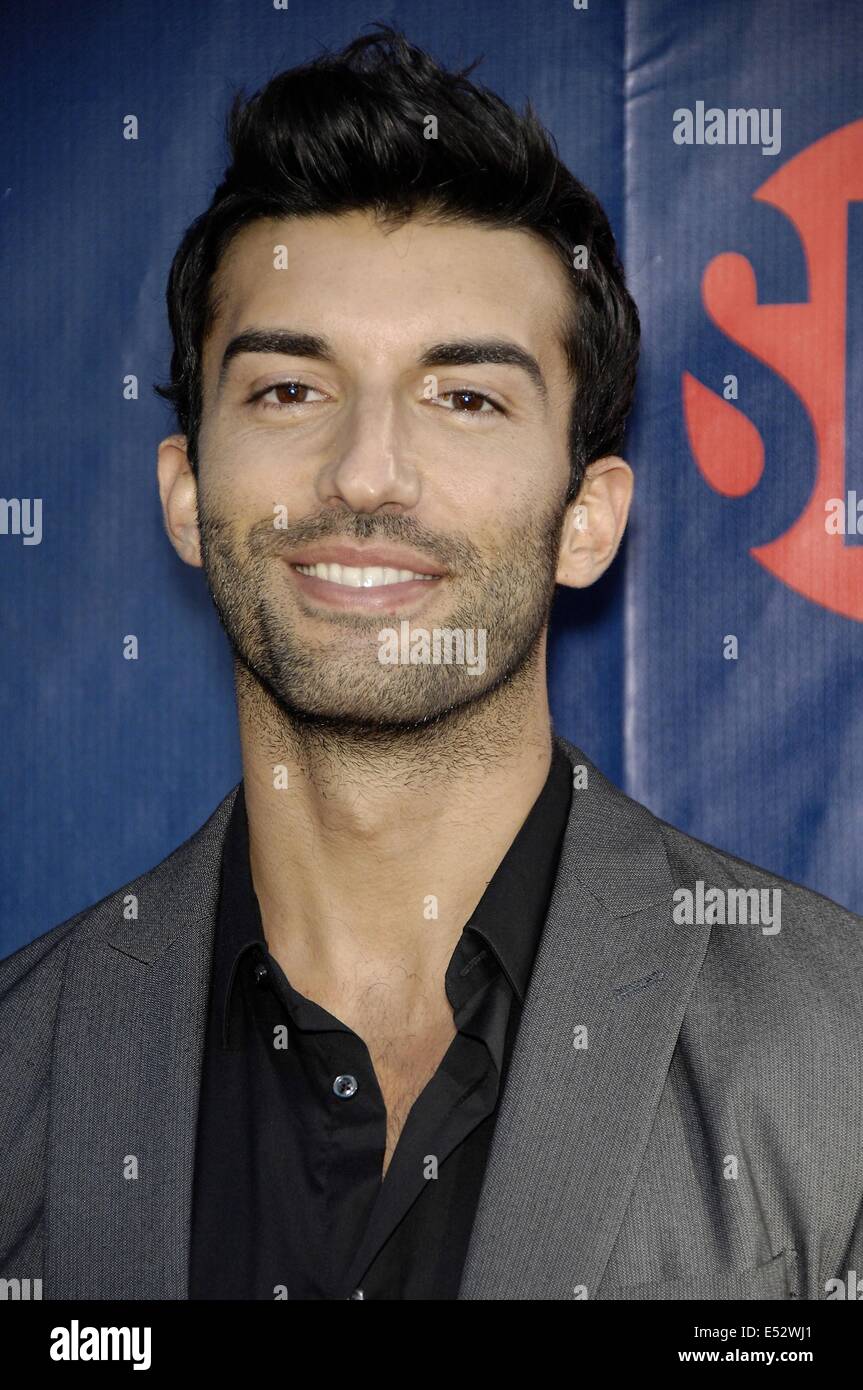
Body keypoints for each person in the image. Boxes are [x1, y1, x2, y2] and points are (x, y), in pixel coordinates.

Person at [1, 24, 860, 1303]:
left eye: (465, 398)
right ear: (185, 495)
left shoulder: (834, 1054)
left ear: (588, 520)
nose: (364, 471)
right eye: (289, 389)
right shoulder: (23, 1064)